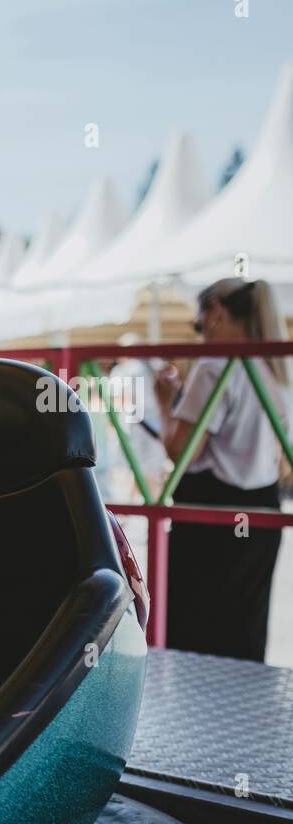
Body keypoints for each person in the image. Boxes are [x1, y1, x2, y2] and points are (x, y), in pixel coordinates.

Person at [153, 278, 290, 661]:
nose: (200, 335)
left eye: (198, 324)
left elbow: (181, 453)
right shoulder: (276, 370)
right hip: (263, 512)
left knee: (191, 640)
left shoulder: (216, 365)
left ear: (215, 310)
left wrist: (166, 403)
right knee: (244, 637)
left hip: (211, 515)